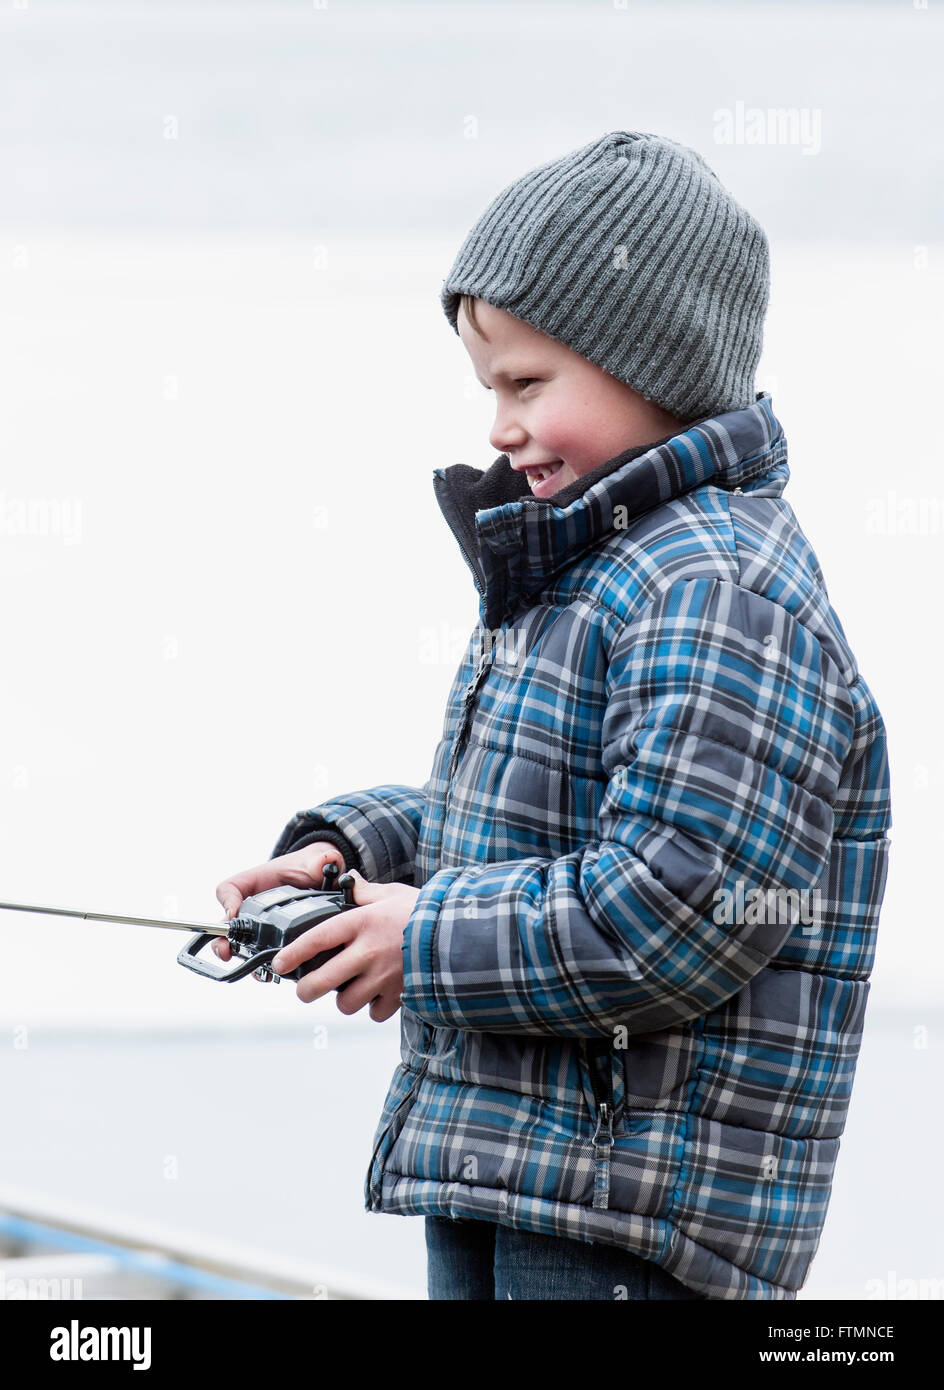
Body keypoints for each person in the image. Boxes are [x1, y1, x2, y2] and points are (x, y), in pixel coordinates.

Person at [214, 131, 892, 1301]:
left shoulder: (714, 591)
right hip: (515, 1169)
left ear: (655, 365)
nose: (498, 427)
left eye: (526, 385)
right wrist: (355, 852)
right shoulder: (594, 567)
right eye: (490, 388)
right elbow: (529, 823)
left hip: (629, 1217)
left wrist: (421, 937)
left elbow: (674, 905)